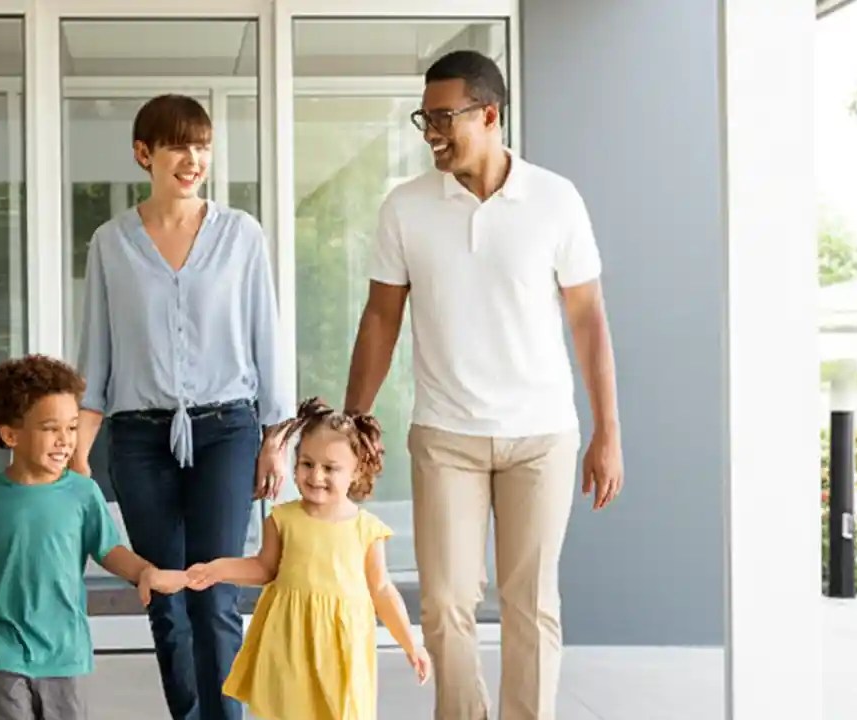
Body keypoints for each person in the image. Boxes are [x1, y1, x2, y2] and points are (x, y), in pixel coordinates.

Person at [343, 50, 625, 720]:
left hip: (542, 436)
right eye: (425, 118)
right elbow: (382, 317)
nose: (431, 131)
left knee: (530, 603)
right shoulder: (406, 208)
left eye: (444, 117)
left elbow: (588, 321)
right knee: (444, 602)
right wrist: (353, 421)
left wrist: (609, 431)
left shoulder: (556, 199)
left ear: (490, 114)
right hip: (446, 434)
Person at [71, 94, 293, 720]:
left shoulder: (241, 235)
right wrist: (79, 452)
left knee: (213, 592)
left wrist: (274, 440)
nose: (192, 159)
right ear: (144, 154)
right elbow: (97, 355)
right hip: (139, 438)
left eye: (202, 145)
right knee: (162, 595)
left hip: (227, 430)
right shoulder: (111, 244)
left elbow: (266, 338)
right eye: (177, 146)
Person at [0, 354, 189, 719]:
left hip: (64, 651)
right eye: (50, 428)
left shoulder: (82, 493)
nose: (65, 441)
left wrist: (143, 572)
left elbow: (108, 549)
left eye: (72, 428)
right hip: (2, 648)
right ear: (11, 434)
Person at [186, 397, 432, 720]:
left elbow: (382, 590)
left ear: (356, 470)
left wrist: (411, 644)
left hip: (344, 651)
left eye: (330, 468)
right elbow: (263, 568)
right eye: (306, 463)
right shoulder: (282, 519)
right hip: (292, 646)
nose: (316, 476)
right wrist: (218, 569)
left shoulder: (367, 530)